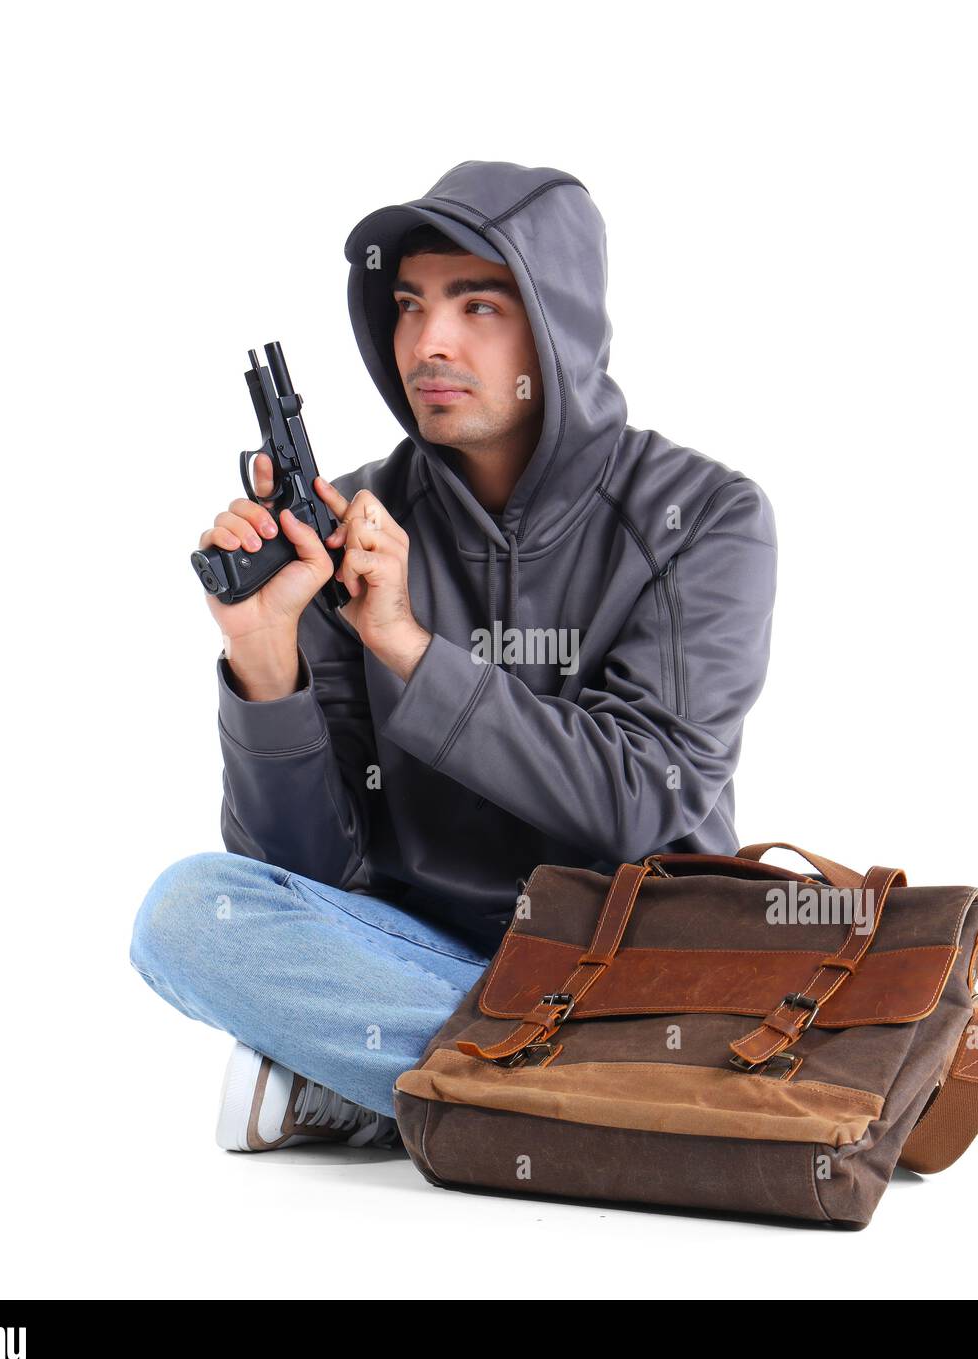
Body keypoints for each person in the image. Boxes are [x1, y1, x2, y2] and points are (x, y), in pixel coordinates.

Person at [129, 160, 778, 1154]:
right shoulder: (349, 523)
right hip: (416, 955)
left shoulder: (703, 519)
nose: (428, 342)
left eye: (478, 305)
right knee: (186, 913)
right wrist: (268, 672)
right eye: (408, 305)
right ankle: (563, 1103)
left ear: (554, 327)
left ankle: (393, 1082)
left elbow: (645, 795)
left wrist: (406, 647)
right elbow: (306, 876)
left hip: (627, 972)